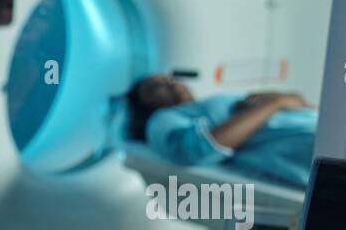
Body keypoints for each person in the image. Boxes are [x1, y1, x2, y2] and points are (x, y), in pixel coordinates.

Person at [126, 74, 318, 187]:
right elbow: (198, 148)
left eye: (167, 78)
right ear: (146, 106)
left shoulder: (208, 104)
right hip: (305, 150)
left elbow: (296, 101)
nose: (169, 82)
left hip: (319, 124)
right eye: (154, 88)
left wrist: (275, 98)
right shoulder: (161, 120)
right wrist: (274, 104)